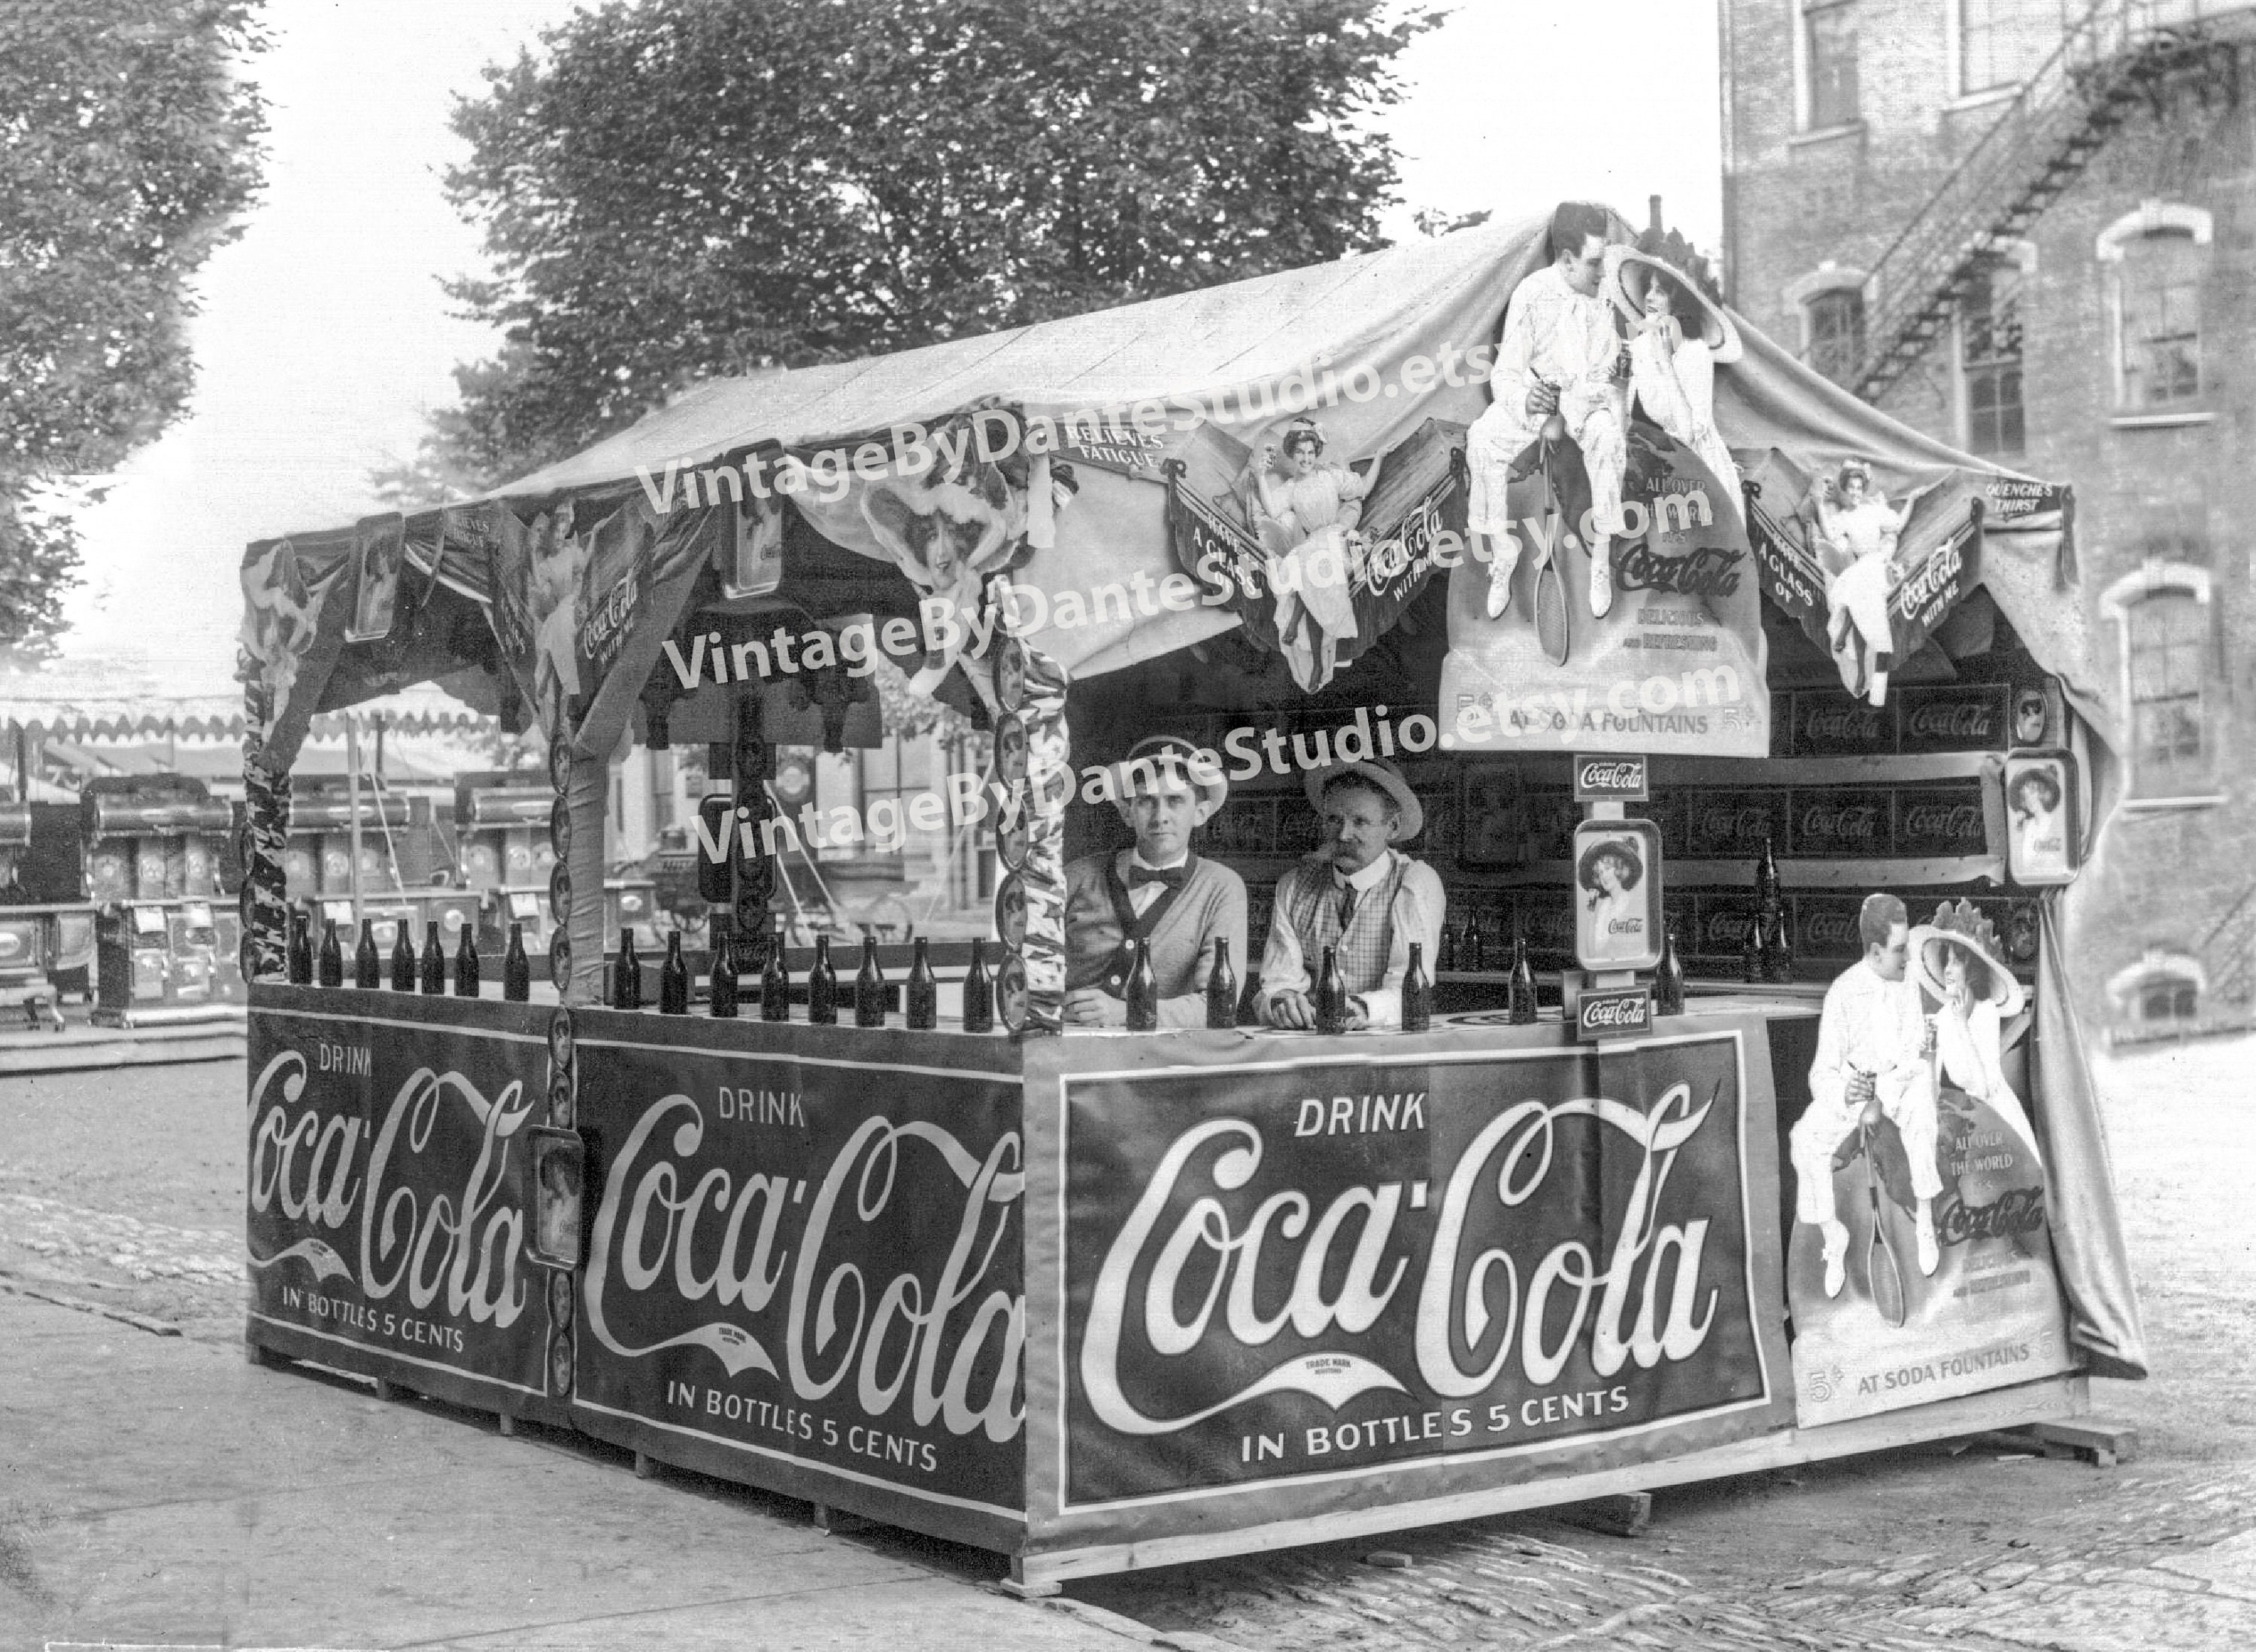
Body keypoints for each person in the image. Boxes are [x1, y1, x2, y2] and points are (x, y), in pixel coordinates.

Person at [1466, 201, 1630, 623]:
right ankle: (1502, 554)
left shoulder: (1607, 294)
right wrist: (1526, 399)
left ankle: (1601, 562)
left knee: (1609, 438)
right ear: (1566, 259)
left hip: (1587, 401)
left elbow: (1613, 373)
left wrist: (1608, 392)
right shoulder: (1532, 293)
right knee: (1481, 440)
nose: (1601, 272)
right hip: (1541, 400)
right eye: (1593, 262)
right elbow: (1505, 374)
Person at [1791, 892, 1943, 1298]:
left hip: (1900, 1083)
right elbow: (1820, 1073)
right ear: (1875, 952)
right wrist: (1847, 1091)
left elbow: (1915, 1051)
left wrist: (1896, 1084)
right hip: (1855, 1090)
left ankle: (1925, 1220)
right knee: (1802, 1139)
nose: (1906, 959)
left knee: (1923, 1112)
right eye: (1898, 951)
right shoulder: (1842, 992)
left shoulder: (1909, 983)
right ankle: (1832, 1233)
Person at [1063, 735, 1248, 1029]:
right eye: (1147, 801)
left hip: (1163, 1055)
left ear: (1200, 813)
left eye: (1175, 801)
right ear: (1127, 812)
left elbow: (1217, 1003)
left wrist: (1124, 1013)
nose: (1161, 816)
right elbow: (1033, 970)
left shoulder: (1221, 887)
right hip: (1070, 1045)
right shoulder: (1077, 877)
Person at [1260, 756, 1445, 1031]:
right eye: (1334, 819)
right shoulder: (1294, 886)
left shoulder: (1414, 883)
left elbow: (1410, 990)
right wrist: (1283, 1004)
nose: (1344, 834)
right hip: (1312, 1044)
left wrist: (1361, 1008)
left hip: (1388, 1048)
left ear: (1392, 827)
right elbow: (1278, 983)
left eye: (1360, 822)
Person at [1239, 417, 1372, 693]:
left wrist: (1380, 459)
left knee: (1314, 566)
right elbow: (1274, 510)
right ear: (1291, 453)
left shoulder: (1330, 477)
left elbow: (1361, 487)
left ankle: (1309, 637)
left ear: (1317, 453)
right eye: (1300, 452)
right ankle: (1317, 666)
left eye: (1311, 452)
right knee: (1300, 565)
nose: (1306, 458)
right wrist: (1262, 476)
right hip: (1313, 544)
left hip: (1335, 538)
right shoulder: (1291, 488)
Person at [1912, 916, 2041, 1166]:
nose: (1948, 969)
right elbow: (1931, 1083)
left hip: (1995, 1115)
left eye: (1956, 962)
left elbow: (1983, 1089)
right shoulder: (1941, 1018)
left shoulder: (1986, 1011)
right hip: (1960, 1118)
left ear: (1972, 971)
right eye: (1946, 961)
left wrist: (1962, 1026)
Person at [1613, 250, 1741, 499]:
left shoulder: (1694, 352)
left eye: (1660, 291)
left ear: (1679, 302)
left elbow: (1689, 433)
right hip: (1648, 470)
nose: (1649, 297)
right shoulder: (1640, 346)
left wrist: (1665, 363)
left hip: (1692, 477)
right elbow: (1630, 416)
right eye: (1648, 289)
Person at [1812, 460, 1914, 706]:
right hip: (1861, 566)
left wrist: (1912, 500)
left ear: (1865, 488)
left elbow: (1897, 525)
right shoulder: (1845, 516)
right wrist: (1818, 505)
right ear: (1846, 490)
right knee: (1853, 588)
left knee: (1861, 592)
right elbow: (1830, 534)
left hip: (1878, 565)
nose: (1856, 492)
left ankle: (1856, 642)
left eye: (1860, 487)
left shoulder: (1875, 511)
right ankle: (1856, 652)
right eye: (1852, 488)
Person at [1576, 838, 1647, 965]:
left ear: (1619, 870)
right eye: (1600, 872)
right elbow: (1591, 954)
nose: (1604, 876)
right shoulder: (1604, 906)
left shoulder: (1632, 903)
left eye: (1608, 869)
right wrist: (1591, 916)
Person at [2009, 766, 2066, 876]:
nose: (2028, 800)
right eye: (2025, 796)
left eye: (2032, 793)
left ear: (2043, 793)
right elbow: (2018, 866)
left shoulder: (2056, 825)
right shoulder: (2026, 827)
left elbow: (2057, 865)